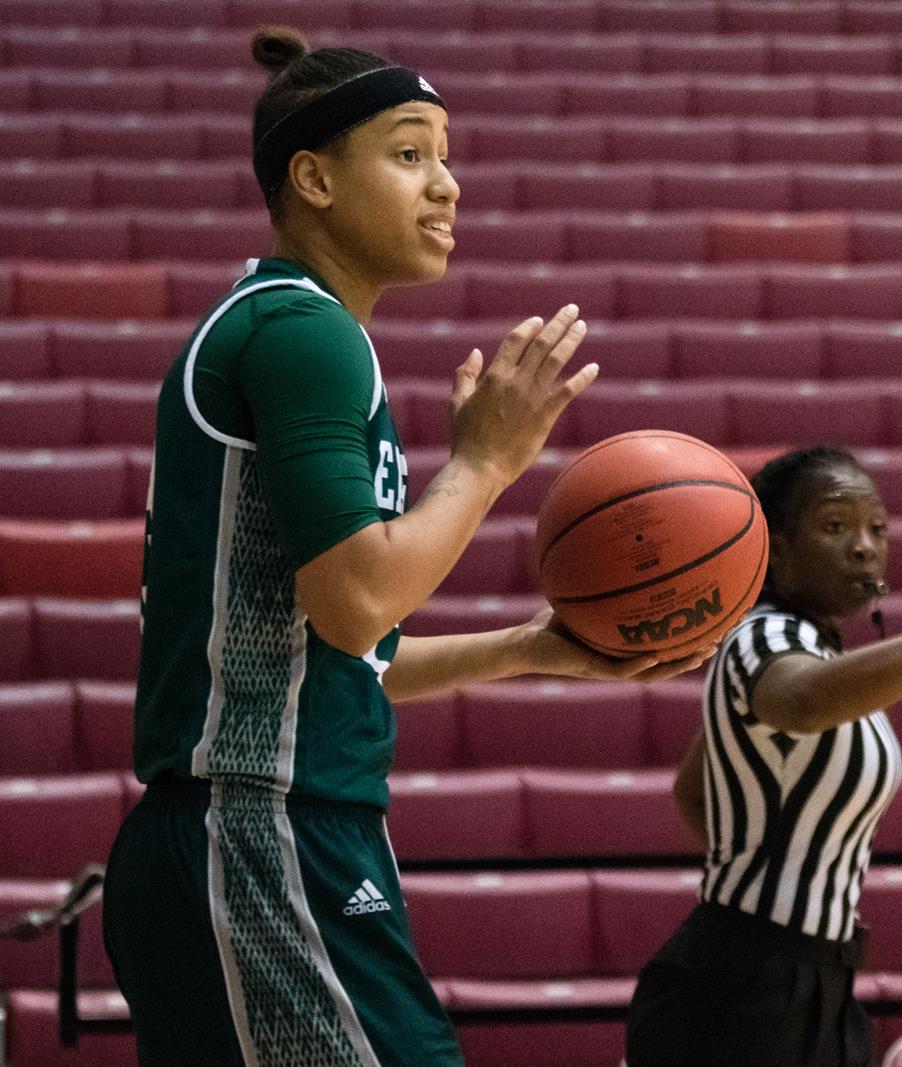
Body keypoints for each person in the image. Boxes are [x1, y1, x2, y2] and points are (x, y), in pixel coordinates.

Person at [102, 27, 707, 1067]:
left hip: (248, 830)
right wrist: (486, 461)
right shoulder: (304, 332)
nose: (448, 186)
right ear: (314, 178)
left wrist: (528, 646)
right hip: (258, 833)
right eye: (410, 153)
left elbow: (338, 652)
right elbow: (358, 600)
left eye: (446, 155)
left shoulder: (288, 330)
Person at [625, 445, 902, 1067]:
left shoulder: (819, 654)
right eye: (835, 526)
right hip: (741, 987)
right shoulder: (761, 635)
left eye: (877, 528)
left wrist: (794, 887)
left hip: (807, 975)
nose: (864, 545)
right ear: (773, 549)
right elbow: (802, 703)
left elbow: (697, 788)